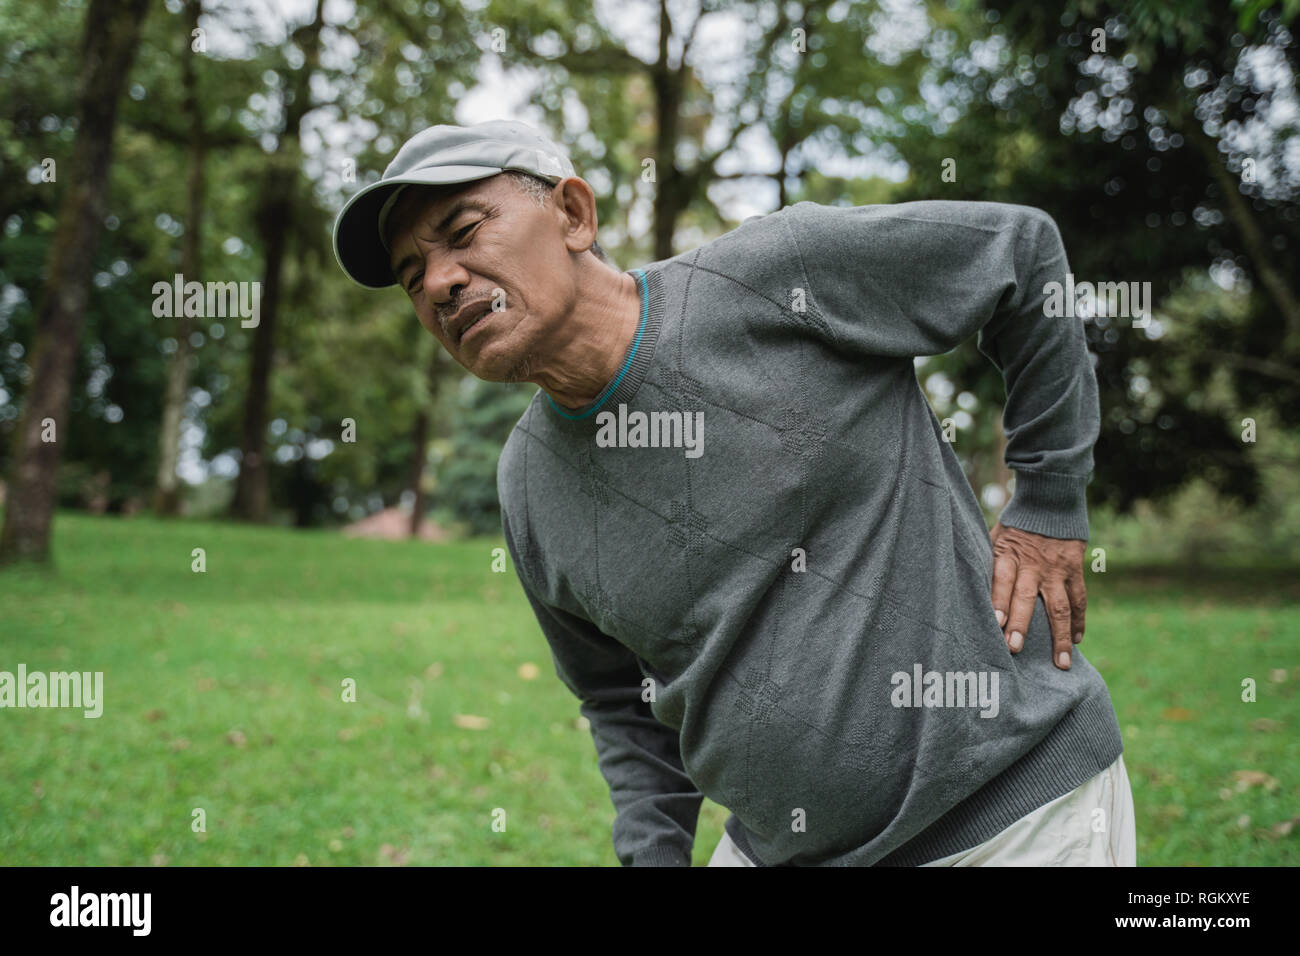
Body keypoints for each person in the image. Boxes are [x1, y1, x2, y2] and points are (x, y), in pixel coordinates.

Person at [332, 119, 1136, 866]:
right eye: (411, 277)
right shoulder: (527, 484)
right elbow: (619, 698)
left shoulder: (781, 273)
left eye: (465, 233)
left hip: (1021, 816)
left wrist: (1048, 505)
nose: (439, 281)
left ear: (573, 213)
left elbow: (1020, 255)